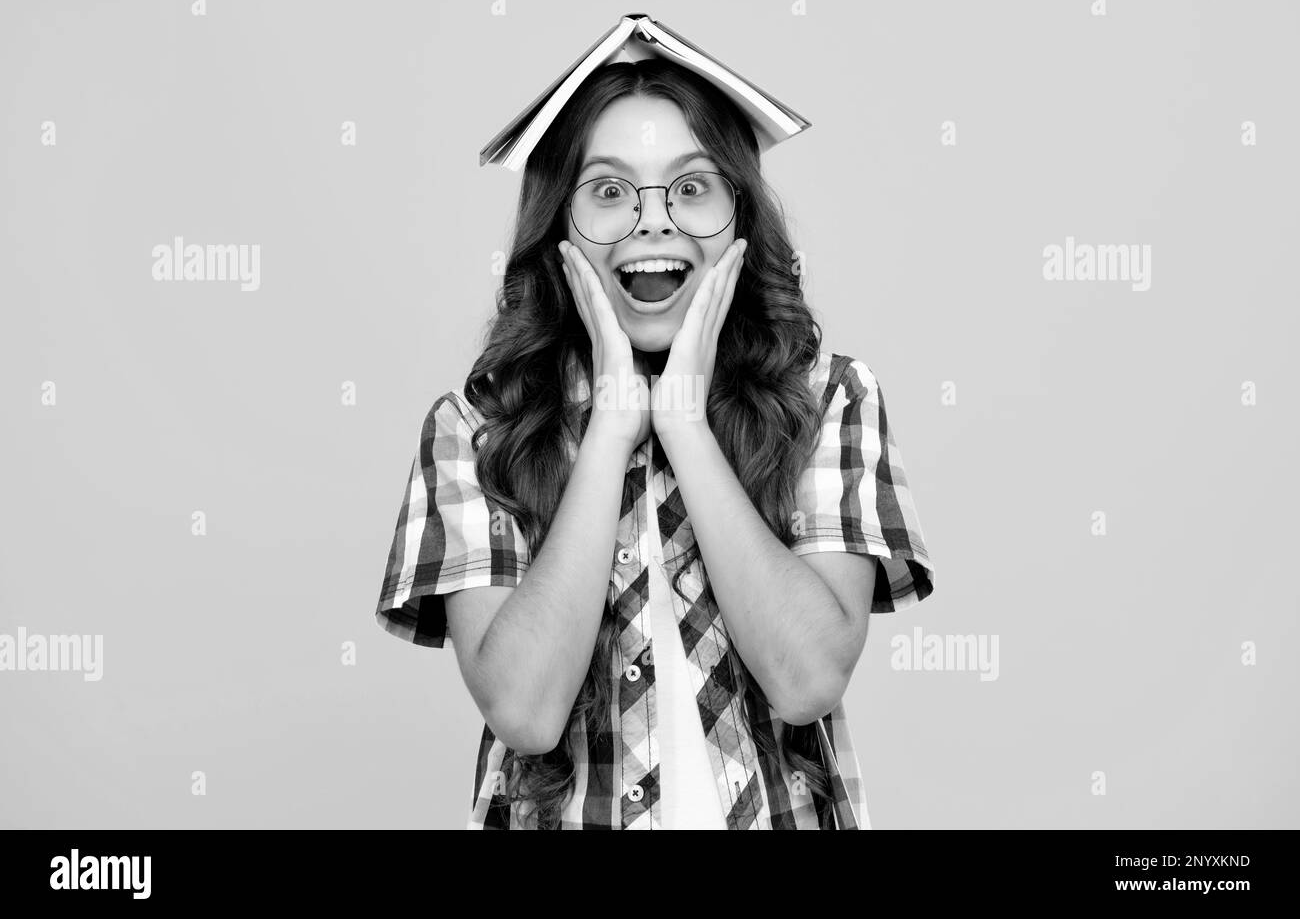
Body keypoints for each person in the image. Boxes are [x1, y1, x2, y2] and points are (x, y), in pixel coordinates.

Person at [375, 53, 935, 830]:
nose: (654, 219)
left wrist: (685, 425)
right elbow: (526, 712)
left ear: (742, 218)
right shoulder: (475, 431)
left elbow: (807, 679)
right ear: (556, 229)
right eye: (609, 191)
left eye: (692, 187)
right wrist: (608, 432)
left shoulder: (829, 399)